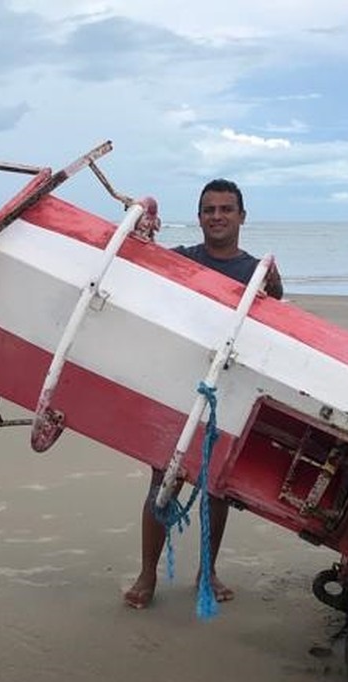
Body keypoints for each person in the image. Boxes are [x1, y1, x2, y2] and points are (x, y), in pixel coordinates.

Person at [123, 178, 283, 609]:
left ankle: (206, 572)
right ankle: (147, 574)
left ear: (241, 217)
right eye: (209, 209)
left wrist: (275, 284)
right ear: (199, 218)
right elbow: (136, 268)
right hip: (180, 382)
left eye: (226, 209)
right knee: (165, 476)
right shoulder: (181, 261)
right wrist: (141, 230)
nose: (217, 216)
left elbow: (278, 320)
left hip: (230, 387)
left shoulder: (256, 272)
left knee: (217, 485)